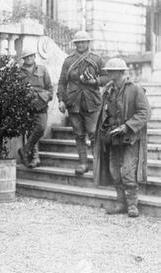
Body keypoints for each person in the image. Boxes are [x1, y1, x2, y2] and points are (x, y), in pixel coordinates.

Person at [94, 58, 151, 218]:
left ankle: (132, 205)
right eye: (109, 71)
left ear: (121, 72)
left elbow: (145, 113)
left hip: (129, 137)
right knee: (114, 172)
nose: (110, 73)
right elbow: (103, 114)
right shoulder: (108, 90)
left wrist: (126, 126)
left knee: (127, 171)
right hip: (113, 138)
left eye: (113, 71)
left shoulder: (135, 89)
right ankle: (121, 203)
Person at [57, 31, 108, 176]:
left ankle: (98, 165)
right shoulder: (68, 61)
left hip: (92, 101)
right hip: (73, 102)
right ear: (75, 44)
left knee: (93, 133)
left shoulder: (96, 59)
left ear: (88, 43)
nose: (80, 44)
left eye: (83, 42)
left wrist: (95, 81)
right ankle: (83, 163)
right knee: (79, 135)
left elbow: (106, 77)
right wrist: (61, 100)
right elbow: (62, 82)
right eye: (78, 42)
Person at [17, 49, 54, 169]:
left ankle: (25, 150)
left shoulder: (42, 69)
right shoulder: (18, 72)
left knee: (41, 128)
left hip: (41, 103)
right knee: (30, 131)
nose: (29, 58)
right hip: (26, 104)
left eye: (31, 56)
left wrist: (47, 97)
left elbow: (49, 87)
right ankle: (35, 158)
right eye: (26, 57)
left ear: (34, 57)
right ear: (23, 59)